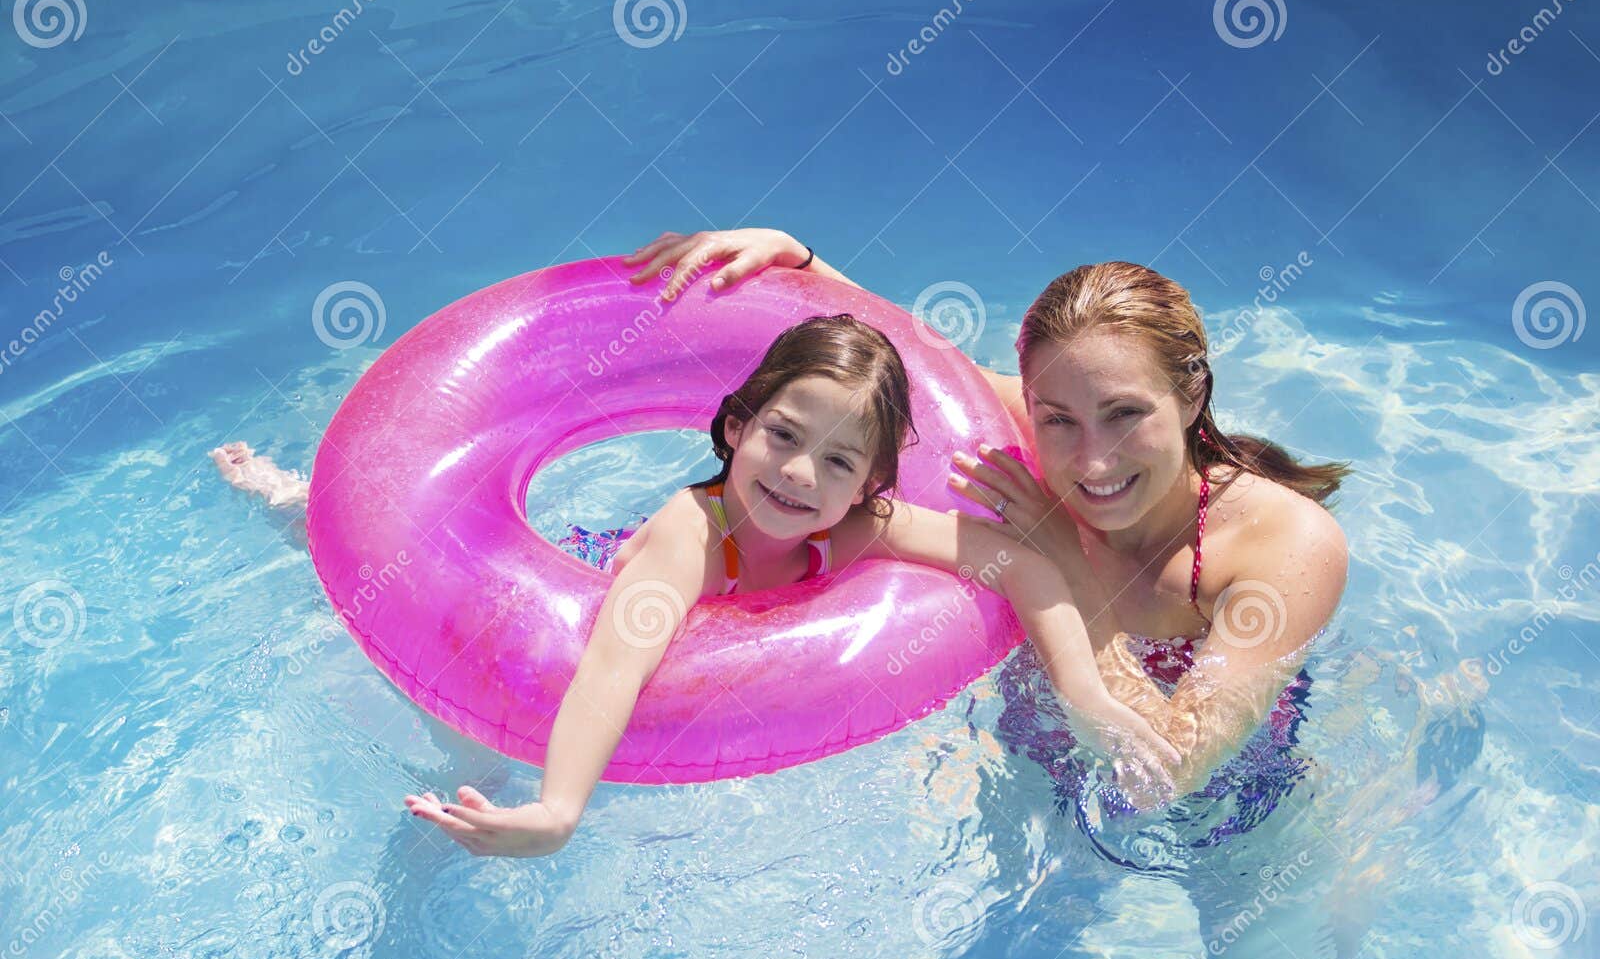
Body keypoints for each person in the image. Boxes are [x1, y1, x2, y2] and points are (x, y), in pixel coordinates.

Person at [216, 313, 1180, 857]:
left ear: (874, 485)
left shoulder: (865, 525)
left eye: (841, 462)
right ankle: (286, 496)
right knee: (388, 606)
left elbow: (1020, 560)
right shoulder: (692, 530)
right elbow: (614, 660)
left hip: (724, 624)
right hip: (575, 597)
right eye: (784, 436)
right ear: (734, 428)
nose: (802, 475)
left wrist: (1086, 690)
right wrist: (559, 809)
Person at [622, 230, 1350, 800]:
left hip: (1233, 812)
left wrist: (1062, 556)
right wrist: (800, 256)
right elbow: (917, 365)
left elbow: (1167, 772)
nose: (1093, 461)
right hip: (1032, 751)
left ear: (1191, 396)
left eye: (1125, 414)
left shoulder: (1283, 543)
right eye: (1057, 419)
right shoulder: (1033, 436)